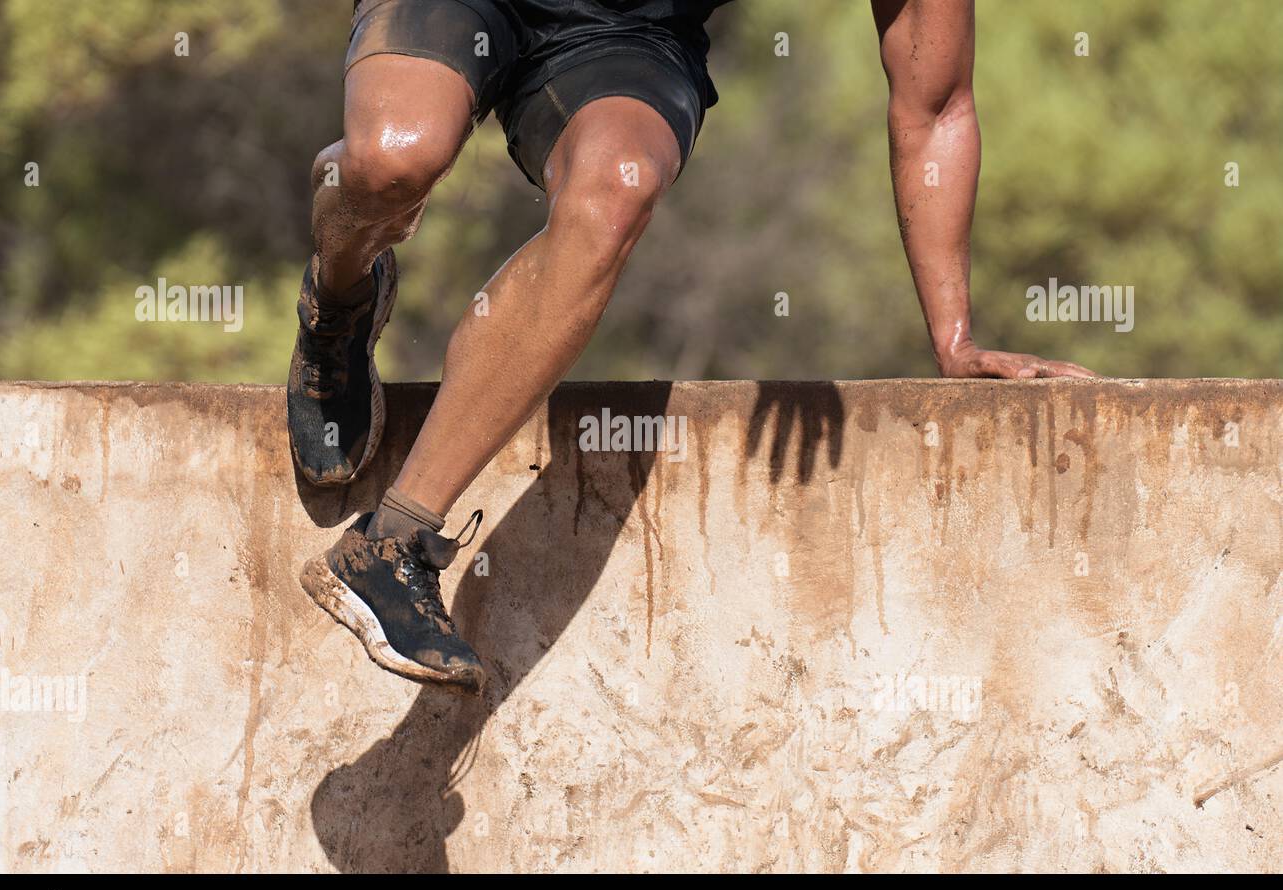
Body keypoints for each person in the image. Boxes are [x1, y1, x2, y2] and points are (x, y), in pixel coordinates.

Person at [292, 0, 1095, 692]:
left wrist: (953, 339)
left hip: (628, 34)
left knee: (619, 184)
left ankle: (394, 545)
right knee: (393, 157)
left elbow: (937, 102)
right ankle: (340, 297)